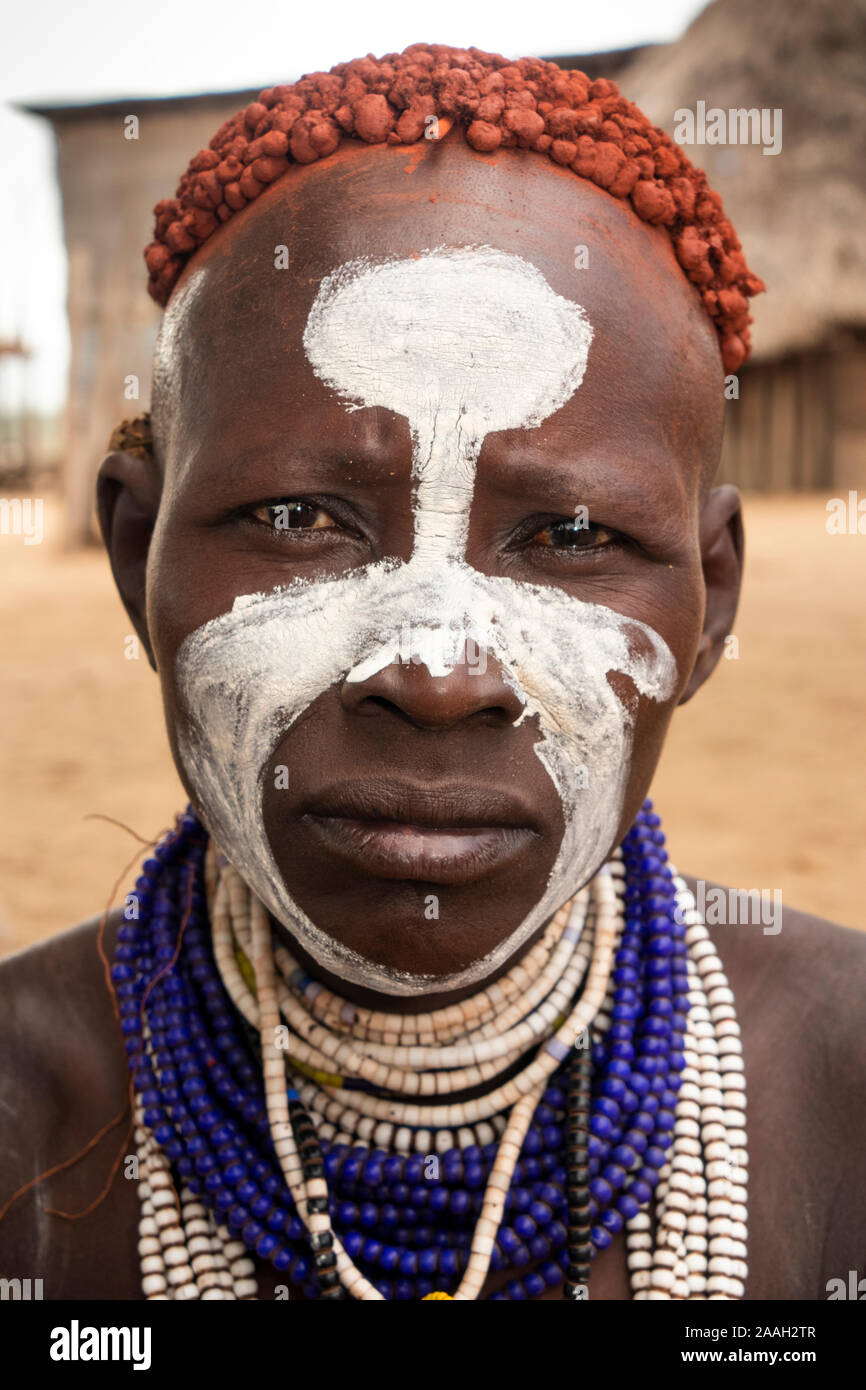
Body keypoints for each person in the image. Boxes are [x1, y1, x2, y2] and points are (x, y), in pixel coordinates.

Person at [1, 42, 863, 1303]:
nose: (439, 674)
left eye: (570, 538)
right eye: (301, 518)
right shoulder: (26, 1114)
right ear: (137, 560)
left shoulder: (839, 1084)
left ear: (708, 605)